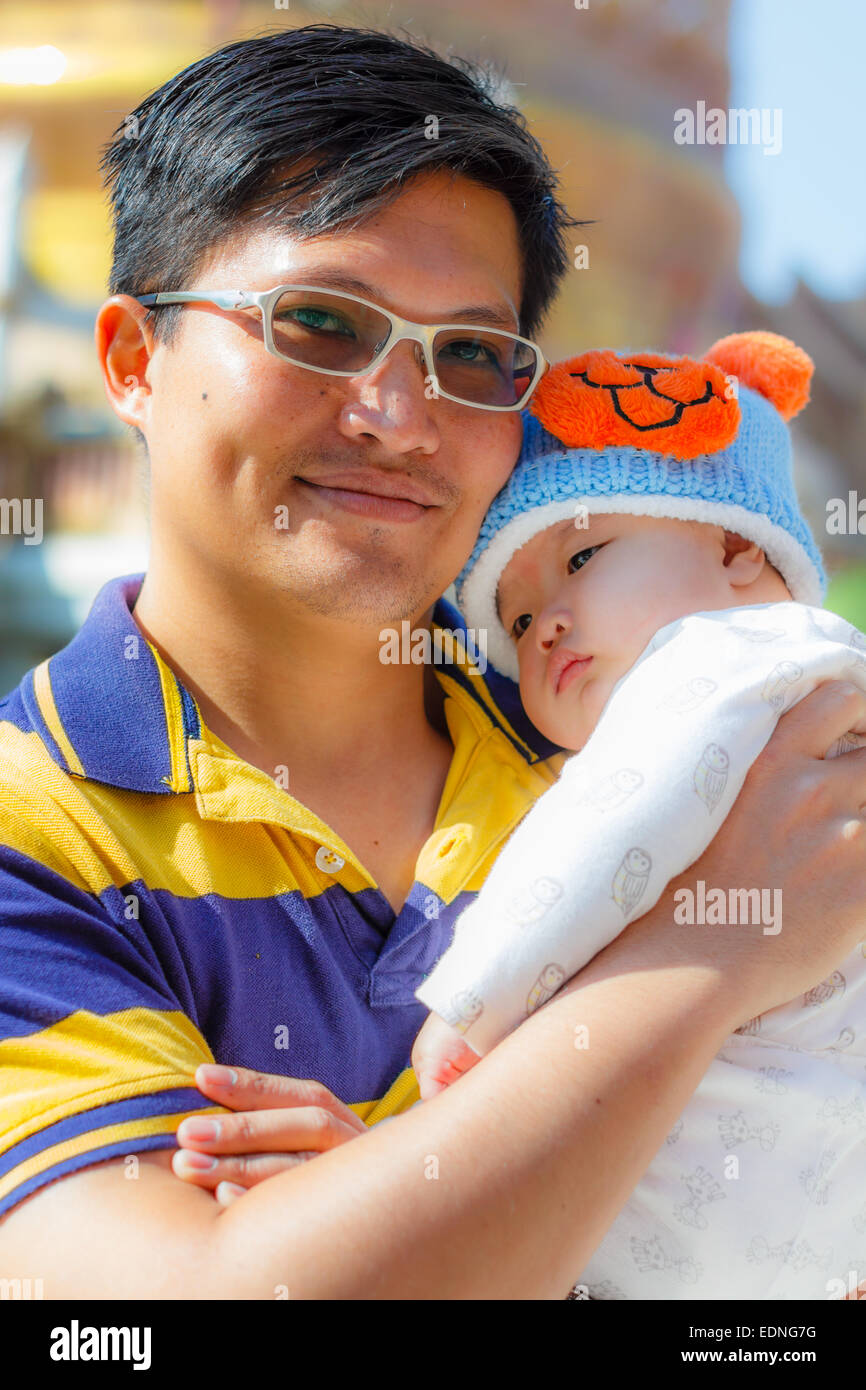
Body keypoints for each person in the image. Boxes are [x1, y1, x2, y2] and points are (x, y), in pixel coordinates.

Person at [0, 26, 864, 1302]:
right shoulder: (35, 834)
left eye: (469, 355)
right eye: (320, 324)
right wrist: (706, 953)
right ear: (133, 358)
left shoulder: (626, 714)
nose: (397, 418)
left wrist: (417, 1220)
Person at [411, 330, 866, 1299]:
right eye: (520, 619)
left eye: (582, 556)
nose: (549, 627)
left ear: (737, 547)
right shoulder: (818, 681)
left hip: (680, 1214)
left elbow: (590, 846)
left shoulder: (710, 664)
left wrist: (471, 1004)